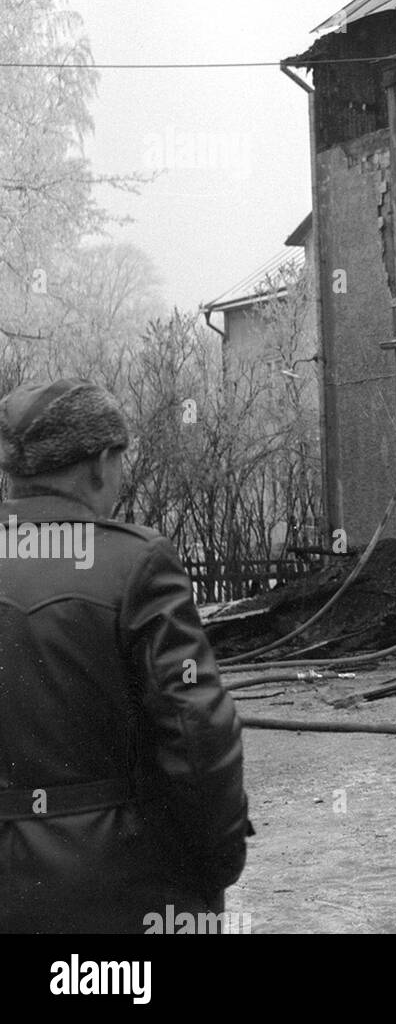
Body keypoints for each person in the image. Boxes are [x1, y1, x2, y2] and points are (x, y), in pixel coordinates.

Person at [0, 379, 250, 934]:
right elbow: (198, 734)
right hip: (120, 892)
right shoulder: (136, 565)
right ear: (100, 464)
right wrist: (212, 866)